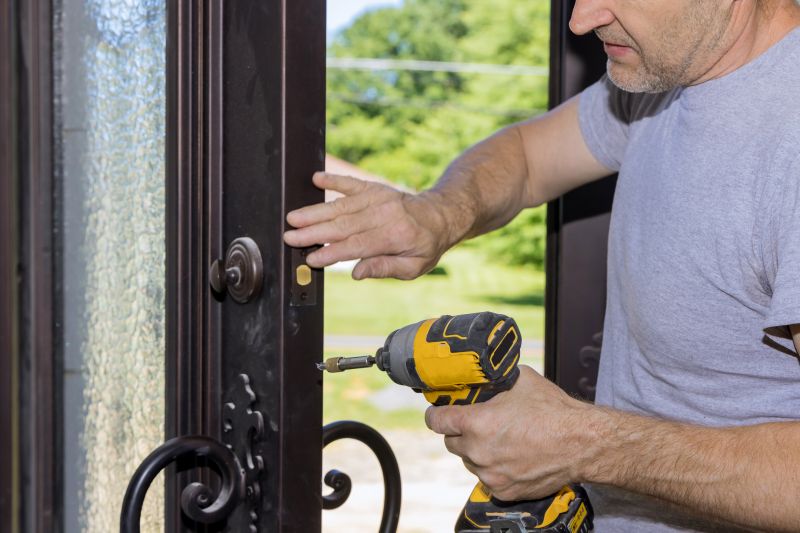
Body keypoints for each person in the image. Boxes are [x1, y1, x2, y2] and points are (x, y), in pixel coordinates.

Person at [284, 0, 800, 530]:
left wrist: (586, 444)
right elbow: (528, 158)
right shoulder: (671, 72)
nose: (581, 20)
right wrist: (437, 216)